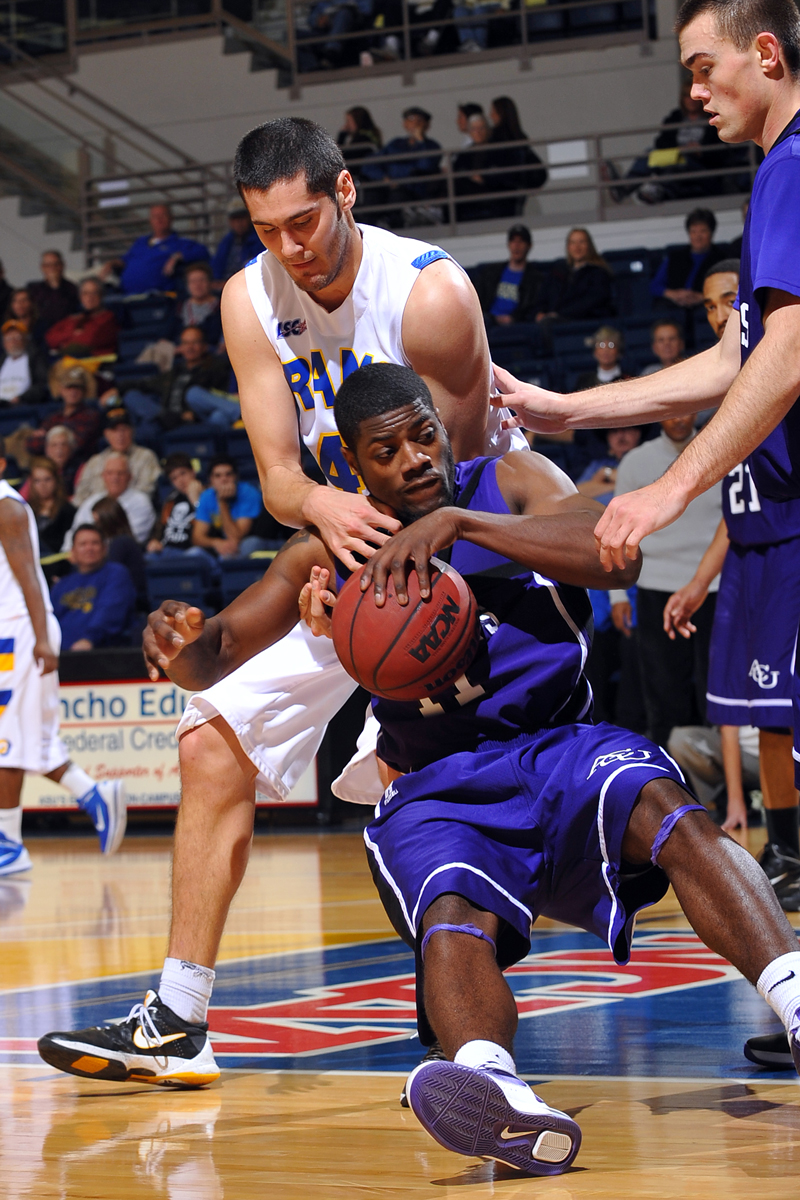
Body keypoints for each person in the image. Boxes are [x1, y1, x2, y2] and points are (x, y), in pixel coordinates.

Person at [38, 367, 800, 1180]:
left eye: (423, 436)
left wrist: (464, 527)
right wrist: (178, 642)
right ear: (352, 463)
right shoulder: (328, 549)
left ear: (442, 427)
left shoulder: (505, 477)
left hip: (557, 743)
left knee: (663, 805)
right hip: (438, 781)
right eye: (387, 450)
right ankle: (493, 1086)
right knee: (448, 908)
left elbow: (612, 555)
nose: (413, 459)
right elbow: (218, 652)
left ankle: (793, 999)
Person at [42, 114, 522, 1074]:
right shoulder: (248, 298)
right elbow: (276, 474)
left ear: (345, 193)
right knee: (209, 737)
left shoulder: (428, 294)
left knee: (417, 776)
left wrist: (358, 565)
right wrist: (331, 533)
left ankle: (465, 1012)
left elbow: (457, 483)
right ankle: (178, 1017)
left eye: (304, 221)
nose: (289, 247)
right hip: (348, 537)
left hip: (468, 554)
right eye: (266, 229)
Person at [488, 0, 800, 1069]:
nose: (692, 90)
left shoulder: (795, 163)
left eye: (703, 67)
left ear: (765, 53)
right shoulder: (772, 174)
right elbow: (730, 357)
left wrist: (670, 494)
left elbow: (786, 356)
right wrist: (564, 408)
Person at [661, 260, 800, 901]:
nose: (720, 314)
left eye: (729, 301)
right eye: (712, 306)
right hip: (746, 552)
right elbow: (729, 506)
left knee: (782, 714)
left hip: (786, 542)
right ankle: (787, 846)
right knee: (758, 713)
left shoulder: (776, 361)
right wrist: (697, 583)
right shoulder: (728, 376)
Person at [0, 445, 126, 875]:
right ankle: (94, 794)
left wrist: (41, 637)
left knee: (7, 742)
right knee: (29, 739)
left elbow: (30, 576)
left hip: (20, 631)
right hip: (11, 632)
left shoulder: (6, 506)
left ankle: (9, 845)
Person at [610, 412, 722, 749]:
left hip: (714, 587)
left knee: (714, 690)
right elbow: (618, 529)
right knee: (661, 690)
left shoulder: (721, 449)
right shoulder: (636, 461)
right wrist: (618, 596)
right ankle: (670, 783)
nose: (678, 418)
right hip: (655, 585)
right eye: (670, 410)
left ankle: (718, 780)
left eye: (687, 409)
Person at [123, 326, 234, 444]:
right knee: (131, 397)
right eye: (185, 343)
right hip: (167, 418)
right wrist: (116, 388)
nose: (190, 347)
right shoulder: (174, 372)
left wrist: (193, 414)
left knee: (195, 395)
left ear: (205, 346)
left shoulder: (217, 367)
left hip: (195, 418)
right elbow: (145, 383)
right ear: (180, 347)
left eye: (195, 343)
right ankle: (161, 415)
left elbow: (217, 398)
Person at [51, 524, 136, 650]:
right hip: (58, 652)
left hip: (97, 652)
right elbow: (50, 619)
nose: (89, 548)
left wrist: (89, 639)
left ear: (104, 548)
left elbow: (110, 613)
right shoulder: (63, 584)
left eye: (95, 543)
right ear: (72, 551)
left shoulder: (116, 574)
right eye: (83, 544)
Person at [99, 204, 210, 295]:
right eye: (155, 216)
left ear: (171, 218)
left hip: (156, 299)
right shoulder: (140, 242)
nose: (159, 219)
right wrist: (111, 263)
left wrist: (178, 256)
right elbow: (126, 259)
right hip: (126, 295)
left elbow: (203, 252)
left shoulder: (179, 243)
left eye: (163, 215)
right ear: (150, 220)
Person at [64, 454, 155, 549]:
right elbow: (75, 530)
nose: (115, 478)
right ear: (103, 476)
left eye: (120, 473)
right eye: (110, 473)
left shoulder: (140, 501)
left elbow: (132, 537)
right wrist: (69, 552)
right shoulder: (92, 501)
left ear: (129, 477)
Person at [73, 411, 160, 505]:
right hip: (94, 513)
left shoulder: (146, 457)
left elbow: (146, 493)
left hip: (130, 511)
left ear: (132, 431)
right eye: (115, 430)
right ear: (106, 434)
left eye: (124, 429)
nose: (120, 435)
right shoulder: (95, 461)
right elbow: (80, 495)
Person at [650, 207, 729, 310]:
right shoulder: (675, 257)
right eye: (693, 231)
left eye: (703, 231)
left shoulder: (722, 259)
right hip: (675, 309)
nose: (698, 236)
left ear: (711, 233)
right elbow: (654, 286)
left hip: (707, 310)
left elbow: (729, 289)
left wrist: (703, 297)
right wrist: (674, 294)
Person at [26, 365, 103, 467]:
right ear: (61, 390)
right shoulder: (53, 417)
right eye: (69, 388)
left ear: (84, 391)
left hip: (79, 467)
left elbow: (77, 444)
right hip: (52, 468)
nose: (73, 392)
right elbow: (32, 445)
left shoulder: (91, 416)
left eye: (77, 388)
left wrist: (49, 437)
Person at [536, 228, 613, 324]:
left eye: (581, 242)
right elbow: (543, 297)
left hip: (582, 322)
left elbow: (591, 302)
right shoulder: (558, 272)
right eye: (573, 243)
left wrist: (560, 314)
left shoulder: (598, 273)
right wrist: (541, 312)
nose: (577, 247)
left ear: (589, 246)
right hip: (554, 321)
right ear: (568, 247)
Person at [191, 456, 263, 559]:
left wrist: (222, 502)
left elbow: (236, 537)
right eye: (218, 476)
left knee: (243, 547)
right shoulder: (207, 496)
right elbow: (197, 537)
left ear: (236, 477)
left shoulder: (249, 493)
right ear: (211, 480)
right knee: (194, 553)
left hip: (252, 541)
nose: (224, 479)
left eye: (228, 474)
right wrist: (216, 542)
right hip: (225, 544)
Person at [476, 224, 543, 327]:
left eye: (521, 241)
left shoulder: (535, 278)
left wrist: (513, 318)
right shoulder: (491, 273)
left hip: (517, 323)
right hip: (489, 321)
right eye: (513, 241)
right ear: (509, 244)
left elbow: (531, 308)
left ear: (529, 246)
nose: (517, 245)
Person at [487, 96, 547, 206]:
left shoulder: (496, 137)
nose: (490, 116)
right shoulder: (519, 136)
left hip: (502, 191)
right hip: (518, 192)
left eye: (493, 112)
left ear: (501, 114)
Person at [44, 277, 118, 358]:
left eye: (94, 293)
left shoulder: (108, 318)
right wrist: (72, 333)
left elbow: (91, 340)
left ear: (101, 295)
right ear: (80, 297)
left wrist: (65, 343)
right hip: (70, 362)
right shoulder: (73, 319)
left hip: (96, 362)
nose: (89, 297)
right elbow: (50, 339)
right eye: (85, 293)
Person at [91, 497, 146, 598]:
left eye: (97, 522)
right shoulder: (117, 541)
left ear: (108, 521)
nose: (95, 527)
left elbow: (109, 575)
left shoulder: (121, 543)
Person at [26, 457, 76, 557]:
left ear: (56, 480)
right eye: (37, 481)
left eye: (47, 479)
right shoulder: (26, 509)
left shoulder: (68, 511)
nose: (43, 485)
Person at [211, 198, 262, 286]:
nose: (239, 223)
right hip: (228, 286)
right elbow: (217, 270)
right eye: (235, 219)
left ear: (249, 218)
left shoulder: (260, 240)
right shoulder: (226, 243)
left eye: (242, 218)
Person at [26, 251, 79, 334]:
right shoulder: (33, 289)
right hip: (38, 333)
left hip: (65, 332)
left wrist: (56, 286)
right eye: (48, 265)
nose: (52, 268)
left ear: (62, 266)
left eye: (56, 264)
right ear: (42, 268)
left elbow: (63, 313)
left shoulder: (72, 289)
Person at [174, 262, 222, 347]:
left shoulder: (221, 306)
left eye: (202, 280)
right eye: (193, 281)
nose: (197, 285)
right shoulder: (179, 306)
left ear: (210, 282)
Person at [0, 325, 49, 406]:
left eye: (17, 338)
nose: (13, 342)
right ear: (4, 344)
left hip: (24, 407)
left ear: (26, 340)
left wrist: (22, 398)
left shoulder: (35, 358)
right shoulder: (2, 361)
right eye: (9, 339)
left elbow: (42, 385)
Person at [575, 325, 631, 391]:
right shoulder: (584, 381)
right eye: (601, 345)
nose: (606, 350)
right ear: (594, 352)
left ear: (619, 352)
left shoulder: (627, 380)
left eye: (611, 345)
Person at [42, 426, 78, 498]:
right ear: (47, 449)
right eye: (54, 445)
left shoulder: (80, 468)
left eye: (63, 445)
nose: (59, 450)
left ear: (71, 448)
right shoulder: (40, 469)